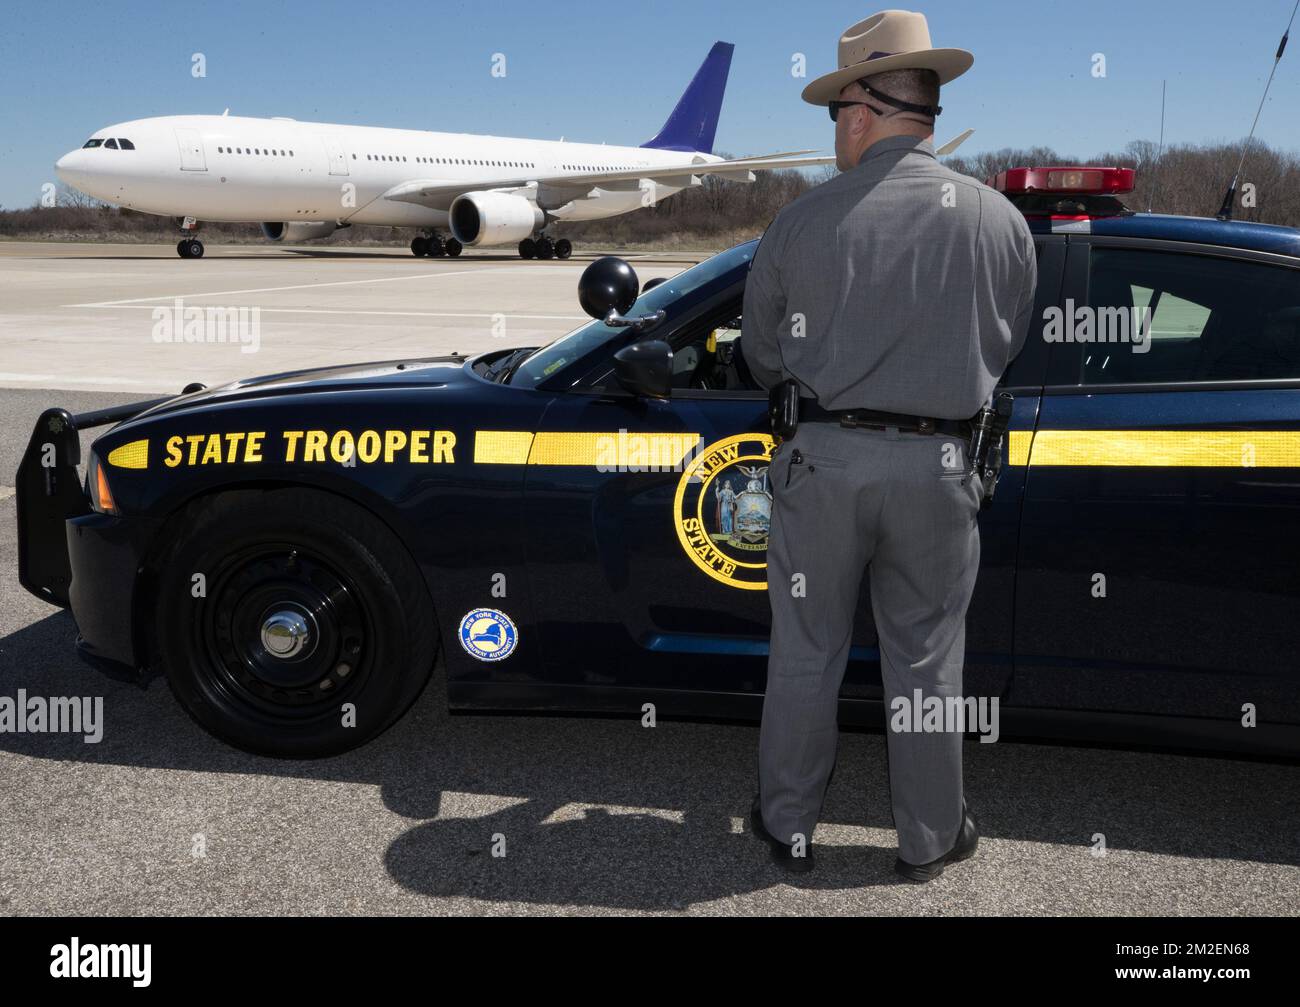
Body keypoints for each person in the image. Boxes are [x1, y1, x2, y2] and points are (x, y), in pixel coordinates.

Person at [742, 9, 1037, 880]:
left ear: (862, 114)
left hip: (822, 466)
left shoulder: (799, 224)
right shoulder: (998, 222)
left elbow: (763, 355)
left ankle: (789, 823)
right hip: (942, 471)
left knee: (806, 652)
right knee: (926, 664)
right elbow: (1005, 339)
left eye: (835, 111)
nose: (834, 129)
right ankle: (928, 837)